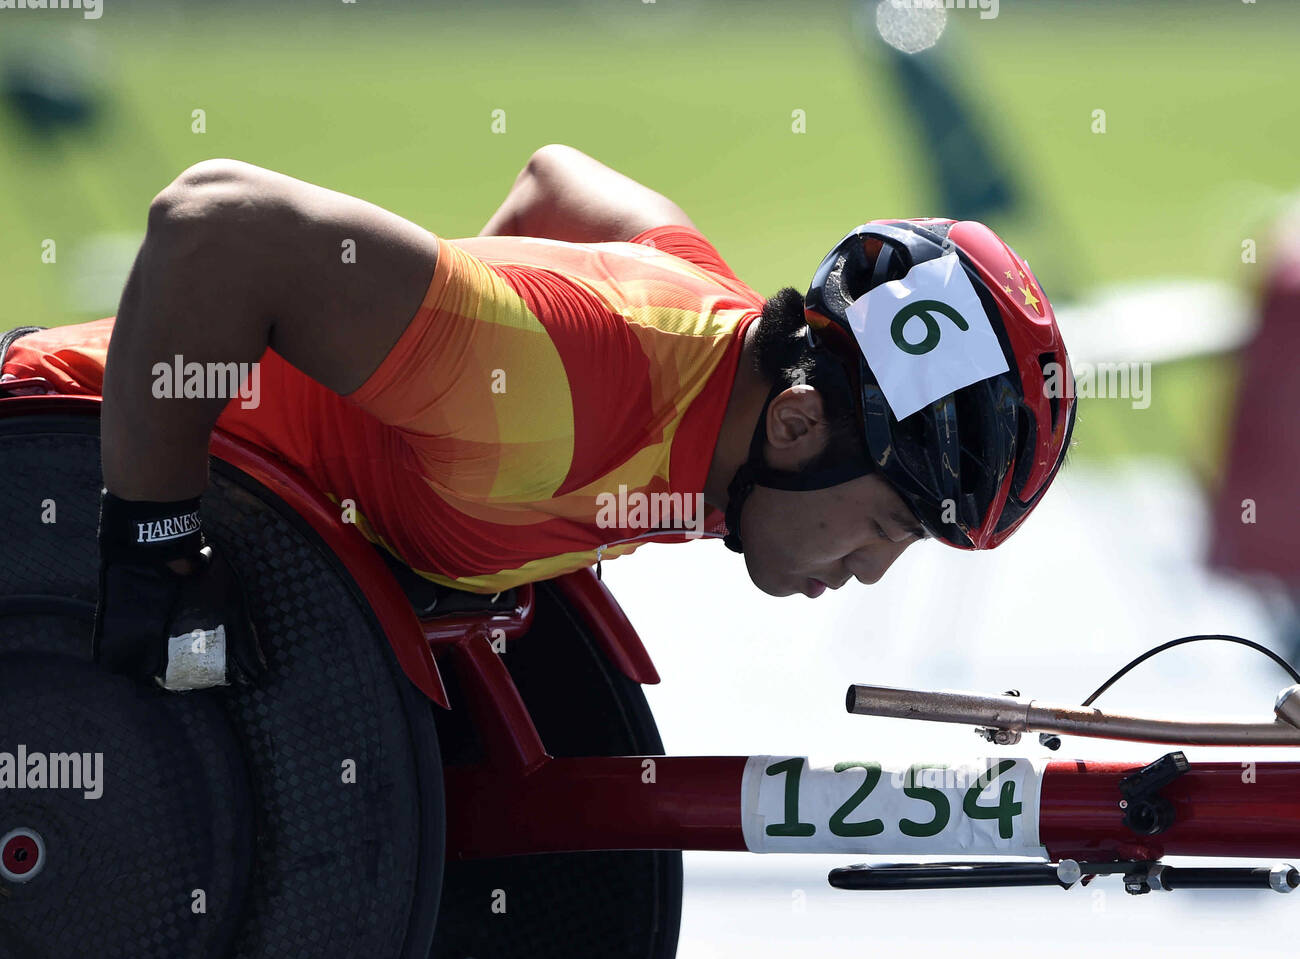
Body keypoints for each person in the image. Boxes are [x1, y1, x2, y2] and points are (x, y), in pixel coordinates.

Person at [0, 145, 1075, 691]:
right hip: (45, 473)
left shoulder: (720, 343)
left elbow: (553, 175)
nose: (872, 570)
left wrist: (419, 428)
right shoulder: (545, 390)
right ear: (798, 424)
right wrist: (154, 540)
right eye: (889, 527)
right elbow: (212, 222)